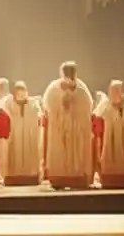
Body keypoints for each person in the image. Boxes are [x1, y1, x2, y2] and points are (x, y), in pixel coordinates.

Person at [42, 61, 93, 189]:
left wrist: (74, 99)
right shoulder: (53, 88)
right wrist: (61, 101)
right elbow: (48, 106)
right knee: (60, 151)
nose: (69, 75)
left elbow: (88, 106)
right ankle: (59, 179)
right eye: (66, 72)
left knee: (76, 152)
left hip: (76, 128)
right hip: (59, 127)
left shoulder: (81, 88)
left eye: (71, 72)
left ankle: (77, 178)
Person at [93, 80, 124, 188]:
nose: (117, 93)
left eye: (119, 90)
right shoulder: (104, 106)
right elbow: (97, 122)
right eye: (114, 91)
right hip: (110, 142)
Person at [0, 81, 41, 185]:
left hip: (28, 134)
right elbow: (4, 114)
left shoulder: (33, 103)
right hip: (14, 134)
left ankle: (30, 175)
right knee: (14, 154)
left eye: (23, 93)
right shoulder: (8, 103)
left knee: (28, 154)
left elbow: (38, 115)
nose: (21, 96)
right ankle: (12, 175)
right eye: (18, 93)